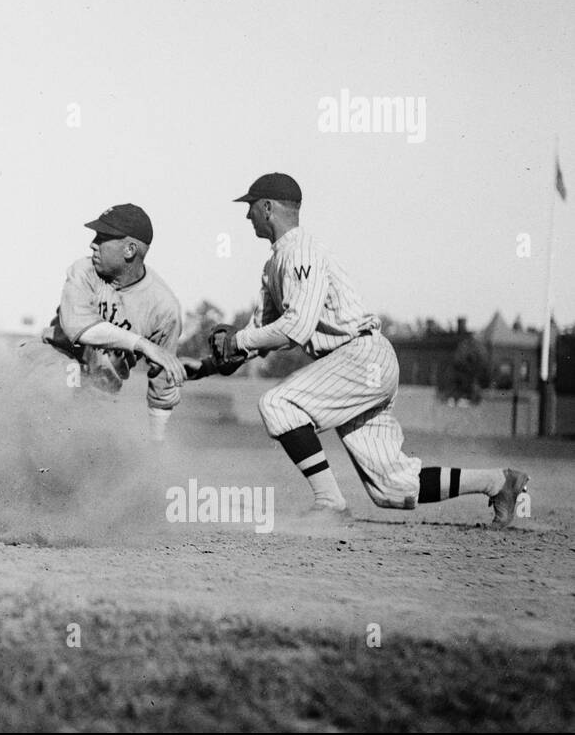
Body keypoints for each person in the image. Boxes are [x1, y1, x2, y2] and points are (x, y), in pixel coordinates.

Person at [208, 172, 529, 526]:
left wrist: (237, 341)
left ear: (268, 207)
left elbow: (295, 329)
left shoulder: (301, 251)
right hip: (352, 368)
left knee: (277, 403)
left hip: (360, 357)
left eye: (250, 206)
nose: (246, 215)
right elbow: (261, 334)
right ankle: (500, 482)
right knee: (392, 487)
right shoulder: (273, 265)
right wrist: (206, 364)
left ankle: (329, 502)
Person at [22, 204, 186, 440]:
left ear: (130, 250)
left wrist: (157, 446)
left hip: (99, 392)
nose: (92, 244)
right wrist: (142, 344)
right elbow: (77, 327)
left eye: (103, 237)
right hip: (50, 360)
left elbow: (162, 390)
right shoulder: (84, 271)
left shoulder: (164, 307)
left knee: (100, 453)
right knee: (63, 382)